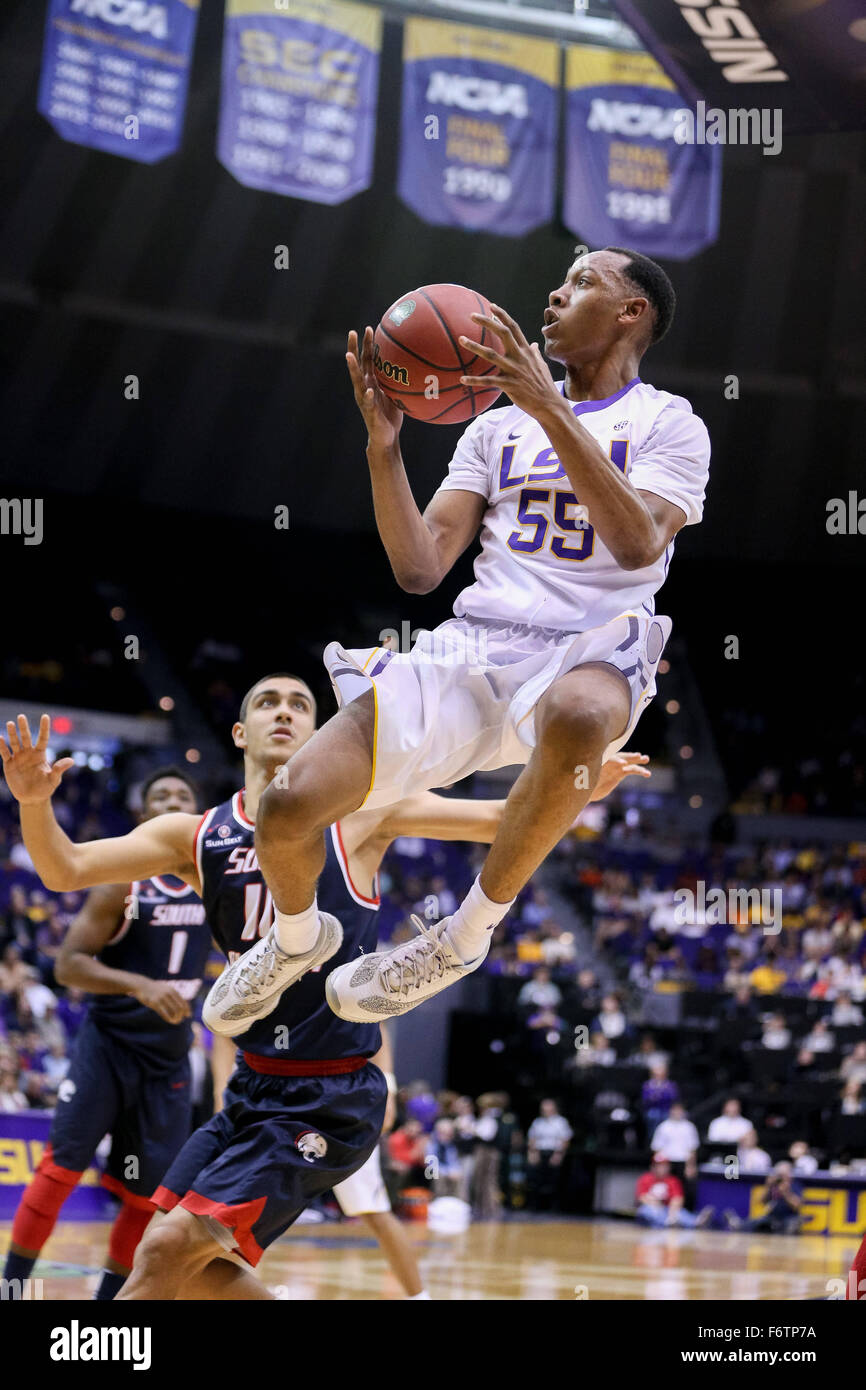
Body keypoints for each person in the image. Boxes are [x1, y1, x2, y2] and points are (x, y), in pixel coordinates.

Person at [205, 247, 708, 1030]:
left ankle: (463, 936)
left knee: (577, 715)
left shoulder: (669, 422)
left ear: (630, 313)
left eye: (581, 284)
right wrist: (385, 447)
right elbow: (419, 568)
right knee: (288, 805)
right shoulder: (491, 429)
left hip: (591, 645)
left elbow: (640, 544)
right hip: (472, 647)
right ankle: (296, 939)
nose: (554, 292)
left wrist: (550, 409)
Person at [2, 767, 211, 1302]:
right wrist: (140, 985)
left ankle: (109, 1307)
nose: (170, 800)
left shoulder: (218, 886)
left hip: (166, 1058)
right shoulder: (125, 880)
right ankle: (11, 1287)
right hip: (108, 1046)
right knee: (60, 1169)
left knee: (147, 1196)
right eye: (158, 794)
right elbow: (68, 965)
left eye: (182, 795)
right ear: (143, 817)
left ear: (199, 816)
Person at [635, 1155, 712, 1229]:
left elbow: (678, 1198)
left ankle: (696, 1222)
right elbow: (642, 1198)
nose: (662, 1168)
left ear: (669, 1167)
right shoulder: (645, 1178)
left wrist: (672, 1212)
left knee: (679, 1213)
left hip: (667, 1209)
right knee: (648, 1211)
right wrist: (655, 1203)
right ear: (653, 1167)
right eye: (659, 1166)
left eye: (664, 1166)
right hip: (651, 1207)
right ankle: (668, 1222)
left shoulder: (673, 1180)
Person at [725, 1162, 802, 1233]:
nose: (781, 1177)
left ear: (789, 1174)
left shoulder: (794, 1185)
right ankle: (737, 1224)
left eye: (783, 1174)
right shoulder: (774, 1186)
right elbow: (761, 1201)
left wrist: (785, 1192)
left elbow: (797, 1205)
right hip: (773, 1217)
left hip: (789, 1217)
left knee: (791, 1223)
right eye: (779, 1175)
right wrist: (767, 1186)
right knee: (757, 1222)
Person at [526, 1098, 572, 1212]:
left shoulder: (561, 1122)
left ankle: (553, 1208)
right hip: (540, 1152)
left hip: (554, 1153)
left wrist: (558, 1155)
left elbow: (565, 1140)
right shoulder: (538, 1122)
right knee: (536, 1181)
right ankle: (535, 1207)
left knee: (553, 1182)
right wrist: (533, 1153)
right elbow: (532, 1138)